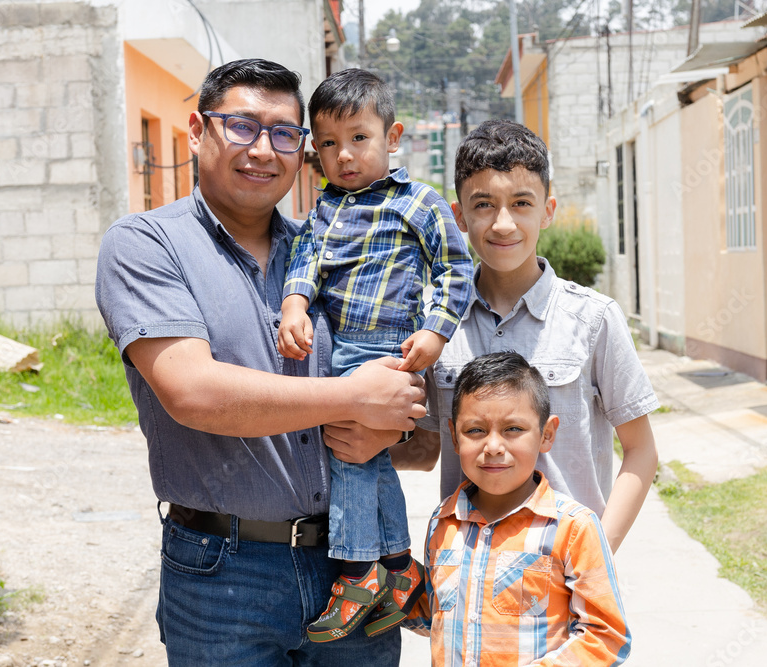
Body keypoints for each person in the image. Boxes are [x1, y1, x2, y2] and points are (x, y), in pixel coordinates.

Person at [95, 58, 425, 666]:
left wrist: (399, 423)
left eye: (283, 134)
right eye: (242, 127)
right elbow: (193, 392)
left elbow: (405, 411)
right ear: (197, 131)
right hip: (224, 574)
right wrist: (355, 399)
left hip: (354, 564)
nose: (262, 151)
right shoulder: (146, 244)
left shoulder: (329, 253)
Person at [277, 68, 473, 643]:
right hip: (339, 350)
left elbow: (455, 268)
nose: (344, 156)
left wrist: (435, 333)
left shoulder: (419, 203)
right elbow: (305, 264)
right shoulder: (324, 210)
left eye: (359, 138)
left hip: (391, 349)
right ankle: (401, 568)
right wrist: (293, 307)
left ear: (393, 137)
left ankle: (357, 571)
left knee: (347, 458)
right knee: (370, 459)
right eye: (329, 144)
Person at [410, 119, 660, 553]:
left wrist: (597, 556)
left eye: (521, 203)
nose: (503, 224)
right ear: (459, 217)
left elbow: (641, 452)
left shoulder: (594, 319)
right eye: (483, 204)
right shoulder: (435, 324)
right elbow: (428, 447)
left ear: (548, 209)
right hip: (468, 573)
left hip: (565, 579)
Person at [418, 351, 631, 665]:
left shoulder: (573, 528)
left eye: (513, 429)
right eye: (475, 430)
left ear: (546, 434)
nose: (493, 446)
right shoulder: (443, 522)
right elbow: (433, 615)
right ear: (453, 435)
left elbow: (607, 635)